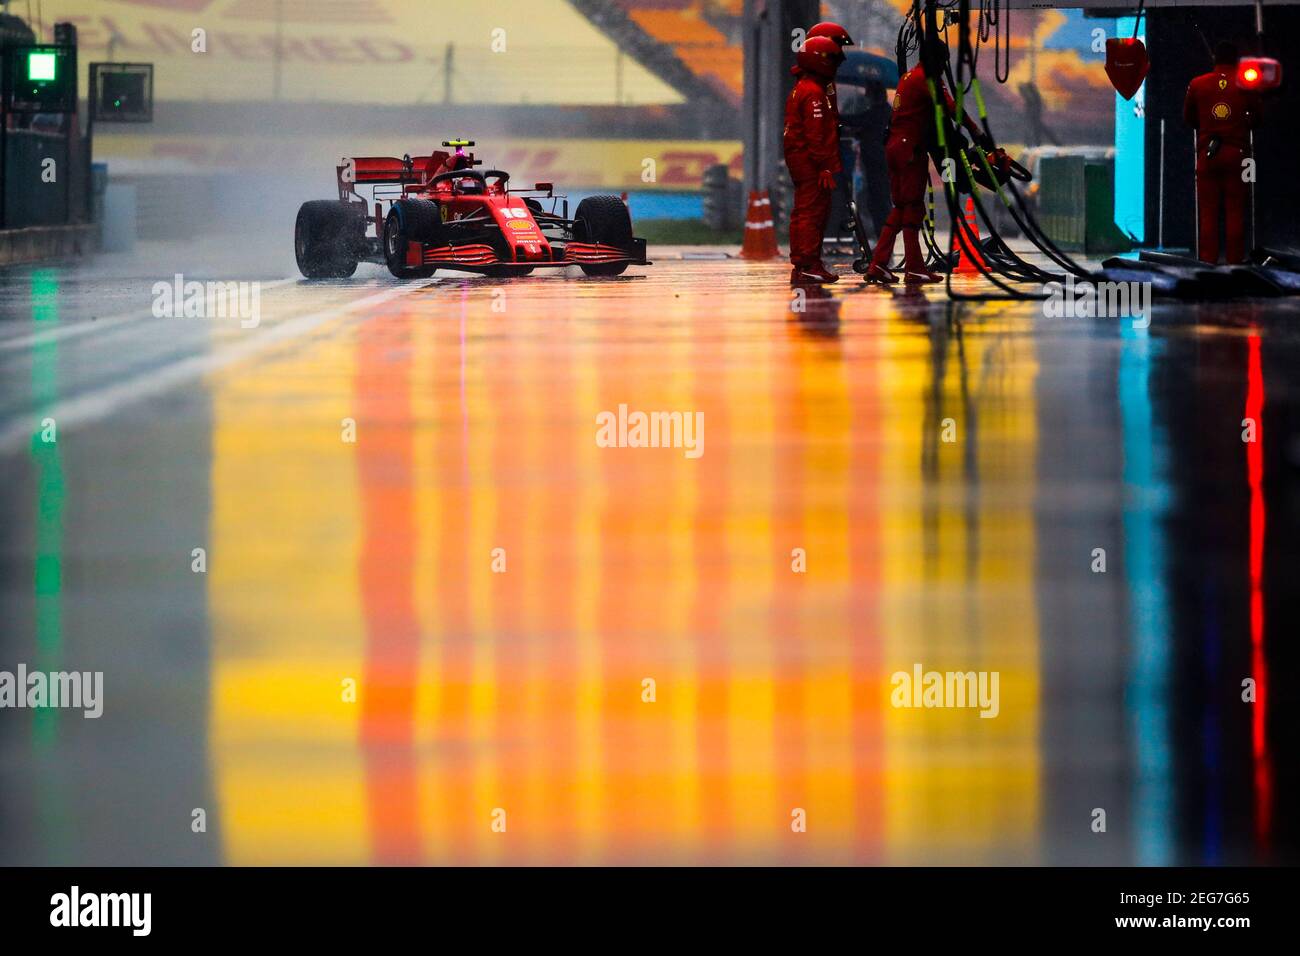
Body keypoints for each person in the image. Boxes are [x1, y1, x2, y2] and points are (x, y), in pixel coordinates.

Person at [866, 37, 989, 284]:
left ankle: (880, 264)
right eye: (943, 61)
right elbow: (951, 107)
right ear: (937, 60)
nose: (944, 67)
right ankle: (912, 269)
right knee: (911, 209)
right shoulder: (927, 80)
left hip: (895, 148)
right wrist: (975, 130)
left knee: (902, 208)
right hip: (910, 150)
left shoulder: (908, 77)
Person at [1184, 41, 1258, 264]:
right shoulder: (1246, 85)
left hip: (1208, 154)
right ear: (1237, 60)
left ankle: (1208, 263)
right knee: (1236, 211)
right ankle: (1235, 263)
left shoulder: (1197, 84)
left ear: (1215, 57)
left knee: (1208, 214)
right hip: (1238, 156)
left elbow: (1189, 118)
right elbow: (1259, 117)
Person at [783, 35, 848, 284]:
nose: (835, 65)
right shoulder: (812, 93)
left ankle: (803, 264)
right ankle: (809, 264)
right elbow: (817, 133)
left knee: (803, 212)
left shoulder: (803, 87)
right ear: (820, 60)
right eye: (832, 59)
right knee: (813, 213)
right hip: (812, 164)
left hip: (801, 160)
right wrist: (825, 167)